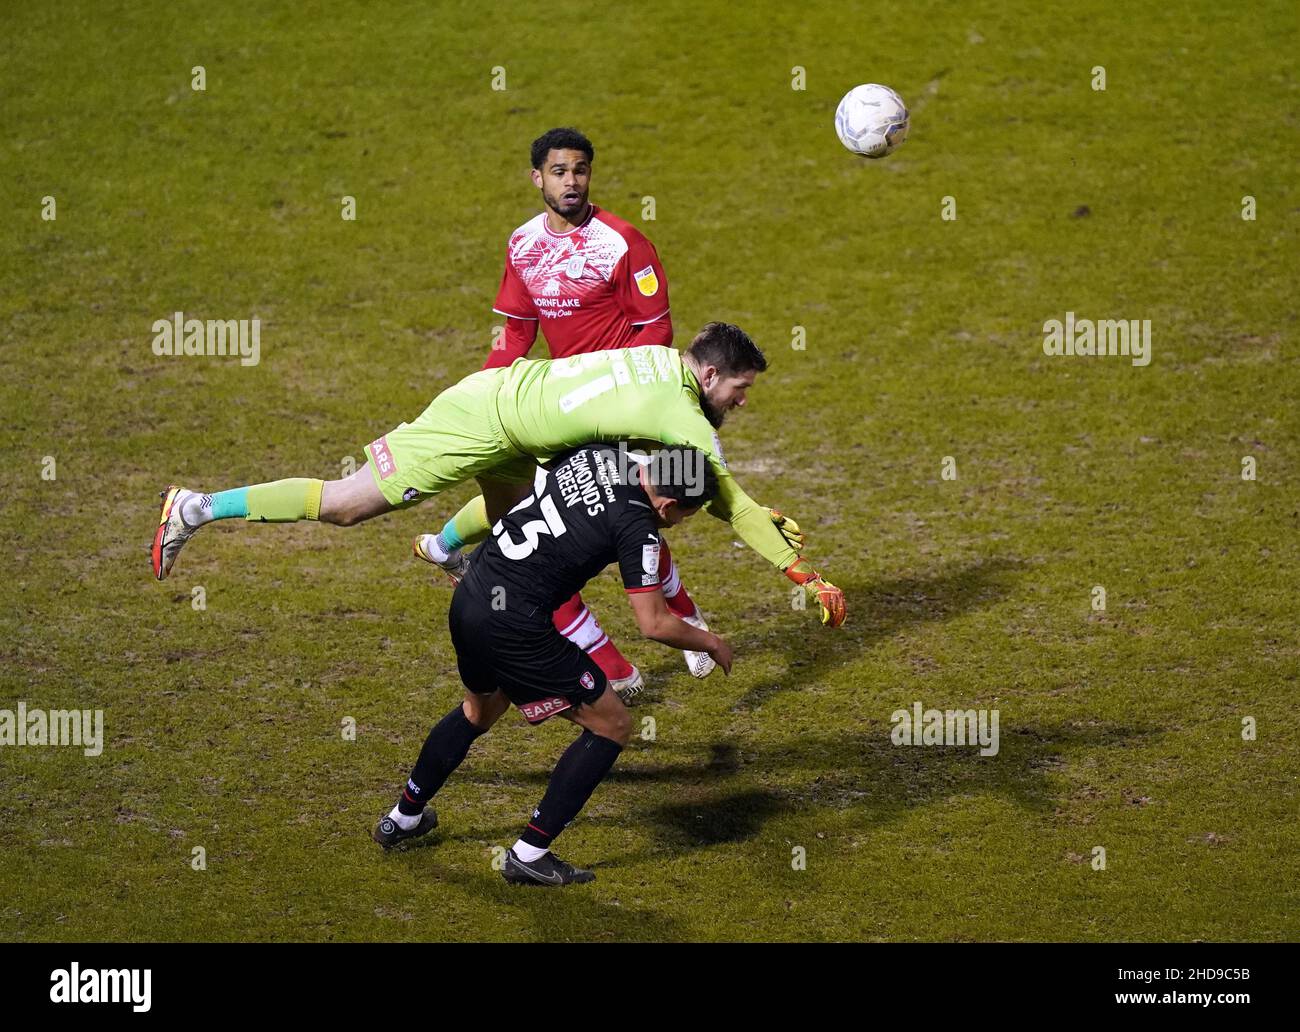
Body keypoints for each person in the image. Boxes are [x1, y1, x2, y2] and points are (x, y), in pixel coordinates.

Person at [151, 322, 846, 627]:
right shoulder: (682, 411)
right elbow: (721, 492)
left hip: (509, 411)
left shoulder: (663, 360)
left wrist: (748, 514)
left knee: (525, 517)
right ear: (711, 374)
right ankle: (196, 507)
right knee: (347, 505)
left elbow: (709, 488)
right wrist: (800, 571)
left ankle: (447, 552)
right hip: (480, 424)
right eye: (741, 389)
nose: (741, 403)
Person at [418, 126, 696, 697]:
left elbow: (657, 329)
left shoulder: (622, 242)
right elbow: (516, 329)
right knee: (565, 519)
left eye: (581, 171)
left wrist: (631, 394)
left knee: (633, 514)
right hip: (562, 408)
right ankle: (640, 645)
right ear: (537, 178)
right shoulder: (523, 244)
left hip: (623, 404)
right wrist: (488, 390)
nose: (572, 182)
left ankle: (685, 623)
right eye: (560, 172)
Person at [374, 445, 729, 885]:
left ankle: (403, 817)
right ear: (669, 504)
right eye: (682, 516)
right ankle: (530, 853)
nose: (676, 524)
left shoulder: (600, 454)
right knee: (612, 724)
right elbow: (653, 623)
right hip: (514, 625)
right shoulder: (638, 526)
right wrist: (710, 642)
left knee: (478, 710)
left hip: (472, 593)